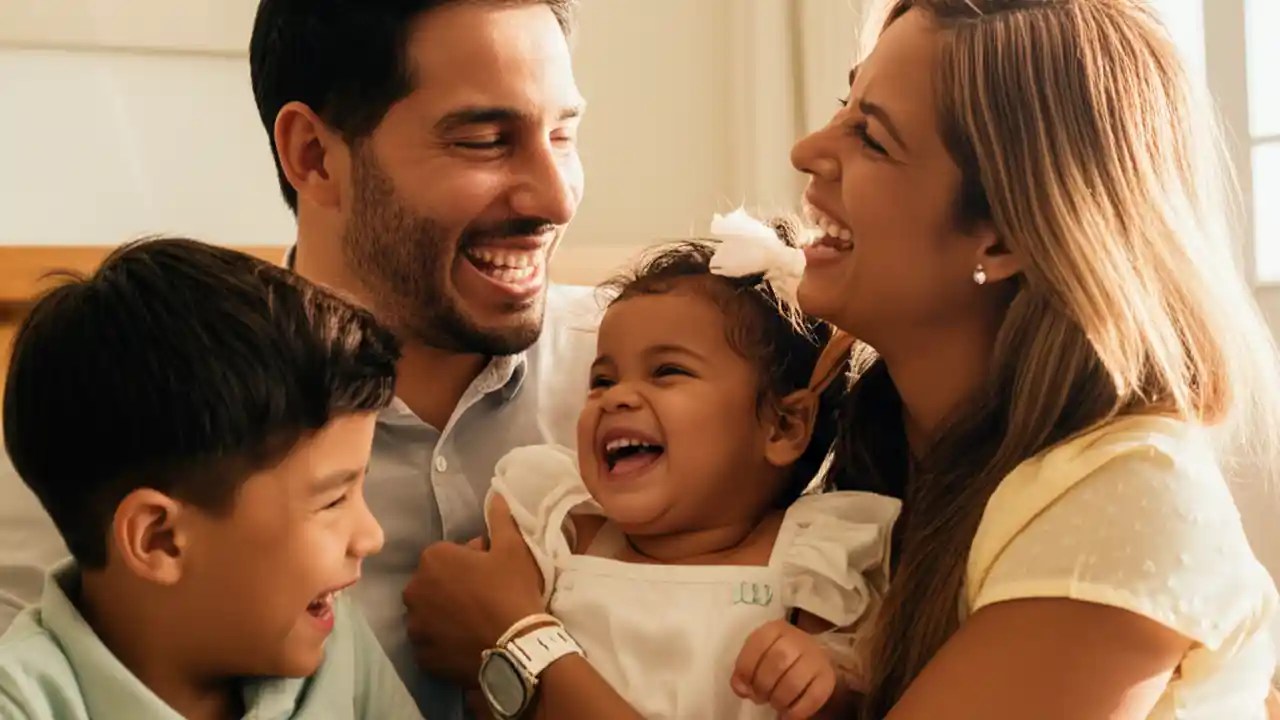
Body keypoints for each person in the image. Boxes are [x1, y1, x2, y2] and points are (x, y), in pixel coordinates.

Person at [402, 1, 1280, 718]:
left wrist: (518, 645)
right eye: (843, 104)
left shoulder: (1127, 505)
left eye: (874, 136)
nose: (808, 152)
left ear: (1003, 234)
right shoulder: (872, 451)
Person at [0, 2, 595, 719]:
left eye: (564, 133)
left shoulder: (677, 383)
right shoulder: (116, 436)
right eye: (483, 140)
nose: (557, 196)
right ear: (313, 155)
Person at [470, 216, 901, 719]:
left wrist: (820, 684)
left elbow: (856, 702)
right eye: (603, 379)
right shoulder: (564, 532)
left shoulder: (812, 562)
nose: (618, 398)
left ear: (782, 427)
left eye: (667, 371)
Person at [0, 238, 421, 719]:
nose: (371, 536)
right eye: (332, 501)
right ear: (160, 538)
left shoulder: (332, 642)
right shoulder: (24, 703)